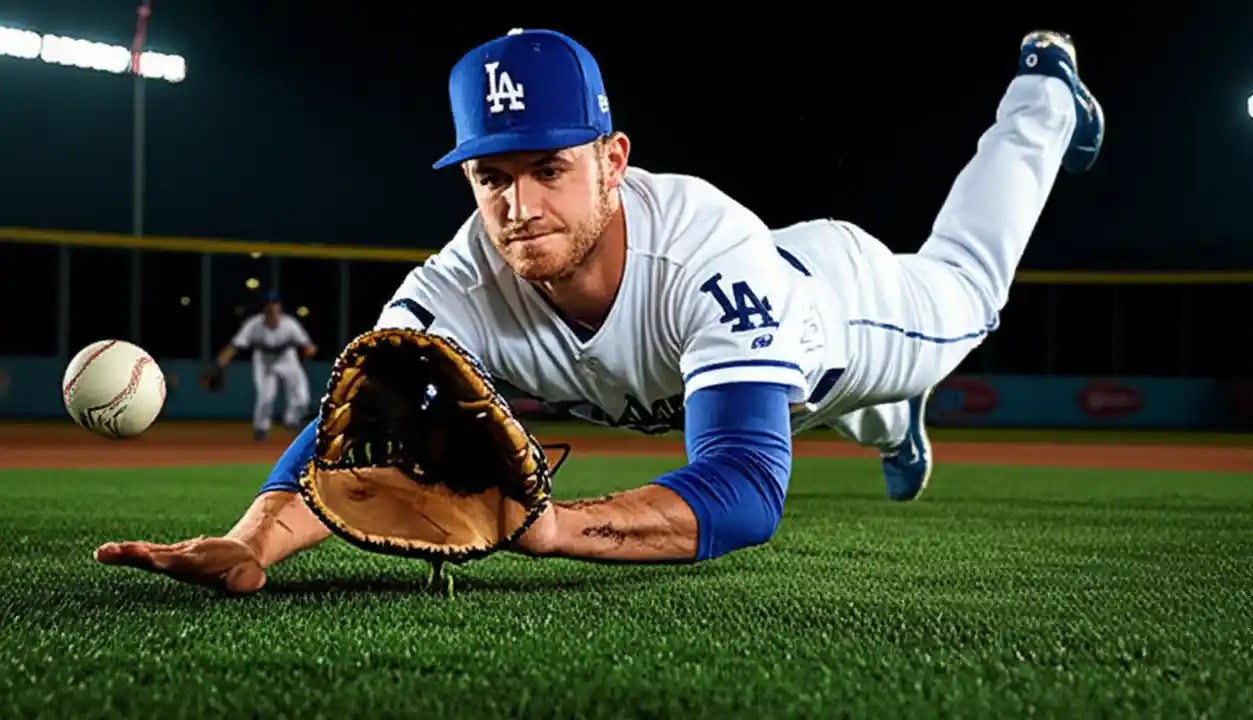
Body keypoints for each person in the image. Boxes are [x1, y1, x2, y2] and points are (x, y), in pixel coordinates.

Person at [95, 28, 1102, 593]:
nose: (517, 205)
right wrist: (253, 539)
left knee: (966, 285)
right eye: (490, 176)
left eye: (549, 167)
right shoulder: (454, 286)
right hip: (736, 364)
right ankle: (887, 428)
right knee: (793, 404)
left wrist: (552, 525)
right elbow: (357, 428)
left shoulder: (703, 255)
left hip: (839, 310)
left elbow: (746, 489)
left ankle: (1044, 97)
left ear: (612, 162)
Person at [211, 291, 318, 440]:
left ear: (279, 307)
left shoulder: (290, 324)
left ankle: (292, 421)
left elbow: (308, 345)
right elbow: (236, 344)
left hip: (287, 358)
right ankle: (261, 428)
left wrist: (310, 350)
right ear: (264, 308)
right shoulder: (253, 324)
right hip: (264, 359)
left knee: (302, 398)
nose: (272, 307)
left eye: (274, 304)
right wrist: (221, 361)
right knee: (265, 397)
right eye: (268, 305)